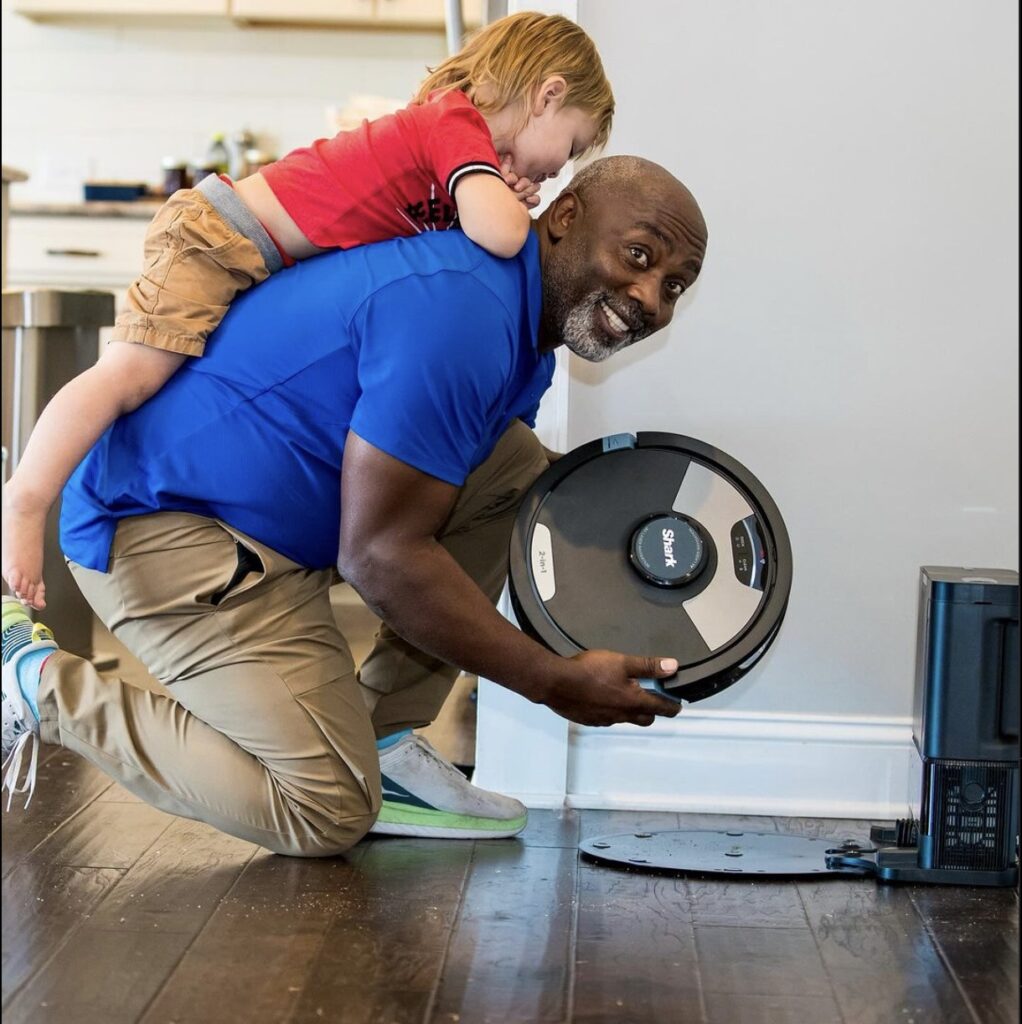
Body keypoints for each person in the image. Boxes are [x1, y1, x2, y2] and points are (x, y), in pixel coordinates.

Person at [1, 156, 708, 854]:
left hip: (273, 525)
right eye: (639, 256)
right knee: (326, 810)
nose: (650, 297)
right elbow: (381, 557)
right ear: (564, 219)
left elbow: (461, 508)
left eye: (674, 285)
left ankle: (384, 743)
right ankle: (30, 680)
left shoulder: (520, 335)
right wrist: (551, 682)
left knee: (521, 473)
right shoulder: (463, 316)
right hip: (169, 533)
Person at [1, 11, 614, 611]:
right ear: (546, 96)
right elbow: (504, 236)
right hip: (217, 238)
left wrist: (498, 189)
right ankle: (25, 498)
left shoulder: (460, 146)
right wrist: (507, 197)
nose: (561, 168)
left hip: (254, 258)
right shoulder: (451, 120)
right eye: (573, 144)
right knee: (130, 376)